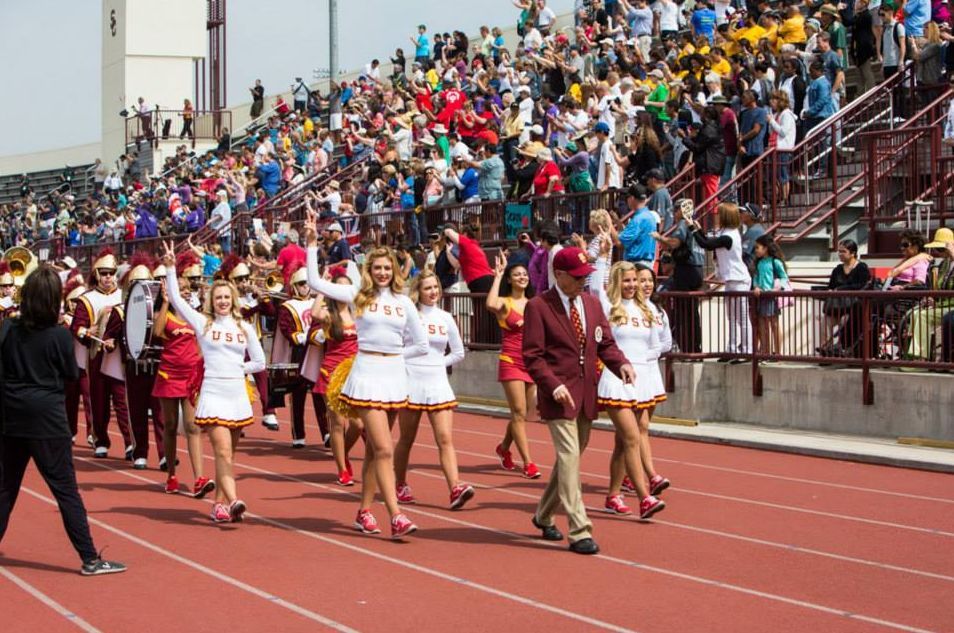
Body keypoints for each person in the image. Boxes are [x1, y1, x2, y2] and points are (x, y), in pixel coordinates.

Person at [304, 211, 427, 539]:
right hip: (366, 375)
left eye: (388, 267)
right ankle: (396, 515)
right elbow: (316, 283)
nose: (383, 272)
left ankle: (363, 511)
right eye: (377, 267)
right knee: (385, 448)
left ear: (395, 270)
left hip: (394, 379)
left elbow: (422, 344)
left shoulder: (404, 302)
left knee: (375, 450)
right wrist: (312, 244)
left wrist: (398, 358)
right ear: (368, 270)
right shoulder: (357, 296)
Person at [0, 265, 127, 576]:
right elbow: (71, 374)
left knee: (5, 488)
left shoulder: (6, 329)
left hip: (11, 416)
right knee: (65, 490)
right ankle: (89, 557)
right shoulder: (58, 335)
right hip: (47, 420)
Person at [523, 247, 635, 555]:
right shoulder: (538, 306)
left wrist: (621, 363)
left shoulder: (592, 303)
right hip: (558, 395)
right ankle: (579, 529)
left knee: (569, 459)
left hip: (586, 393)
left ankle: (543, 514)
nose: (583, 282)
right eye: (576, 277)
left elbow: (606, 343)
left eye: (585, 276)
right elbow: (532, 356)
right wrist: (552, 384)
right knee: (570, 455)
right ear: (559, 275)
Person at [160, 241, 267, 523]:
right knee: (221, 450)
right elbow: (177, 299)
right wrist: (171, 268)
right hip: (213, 392)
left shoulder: (243, 327)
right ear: (211, 300)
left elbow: (260, 362)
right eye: (217, 297)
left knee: (228, 455)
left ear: (233, 299)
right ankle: (233, 500)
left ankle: (218, 504)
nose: (222, 301)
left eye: (226, 297)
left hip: (237, 394)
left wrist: (238, 368)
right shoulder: (203, 323)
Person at [588, 242, 667, 520]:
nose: (633, 285)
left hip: (640, 382)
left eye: (635, 280)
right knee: (633, 437)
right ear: (617, 281)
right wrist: (603, 251)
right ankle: (645, 497)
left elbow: (657, 345)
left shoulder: (646, 309)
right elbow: (597, 279)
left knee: (623, 443)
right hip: (614, 381)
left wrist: (641, 367)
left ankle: (612, 495)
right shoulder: (608, 305)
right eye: (628, 280)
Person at [393, 271, 474, 509]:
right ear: (418, 290)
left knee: (445, 439)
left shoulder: (446, 317)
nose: (433, 292)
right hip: (411, 381)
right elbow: (397, 348)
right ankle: (400, 483)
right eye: (427, 288)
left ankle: (455, 487)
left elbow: (458, 352)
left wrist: (438, 363)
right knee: (407, 438)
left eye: (435, 287)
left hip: (438, 384)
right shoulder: (408, 316)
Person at [152, 255, 211, 496]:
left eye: (187, 288)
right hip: (168, 375)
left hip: (189, 377)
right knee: (170, 426)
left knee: (193, 427)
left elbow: (204, 341)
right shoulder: (165, 314)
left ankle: (199, 478)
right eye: (181, 289)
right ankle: (171, 475)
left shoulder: (195, 315)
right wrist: (166, 301)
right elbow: (157, 332)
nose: (185, 292)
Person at [69, 248, 132, 457]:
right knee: (98, 400)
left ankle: (131, 442)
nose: (108, 277)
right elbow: (77, 327)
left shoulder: (126, 296)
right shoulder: (87, 299)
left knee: (123, 401)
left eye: (111, 273)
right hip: (96, 356)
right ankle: (100, 440)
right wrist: (89, 331)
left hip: (120, 356)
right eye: (104, 273)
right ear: (96, 274)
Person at [486, 254, 540, 480]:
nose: (522, 277)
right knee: (518, 412)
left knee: (526, 413)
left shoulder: (535, 304)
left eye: (524, 274)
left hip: (531, 363)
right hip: (511, 362)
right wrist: (497, 276)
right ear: (510, 279)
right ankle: (528, 462)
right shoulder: (505, 303)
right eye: (517, 274)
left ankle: (504, 447)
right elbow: (490, 304)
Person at [311, 265, 362, 486]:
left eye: (347, 287)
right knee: (338, 424)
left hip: (355, 374)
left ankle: (342, 453)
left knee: (359, 425)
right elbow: (314, 313)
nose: (343, 292)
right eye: (338, 288)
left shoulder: (359, 314)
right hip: (331, 374)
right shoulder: (329, 315)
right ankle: (342, 468)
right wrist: (322, 283)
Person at [691, 203, 752, 358]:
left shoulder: (730, 235)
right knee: (731, 317)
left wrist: (693, 229)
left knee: (742, 318)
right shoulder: (725, 233)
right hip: (731, 280)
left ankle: (747, 350)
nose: (717, 216)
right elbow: (707, 240)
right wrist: (697, 228)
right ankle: (731, 349)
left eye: (720, 213)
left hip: (739, 280)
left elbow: (706, 245)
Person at [820, 239, 872, 358]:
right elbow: (831, 286)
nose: (840, 254)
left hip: (852, 308)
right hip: (836, 307)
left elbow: (862, 285)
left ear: (853, 253)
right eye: (839, 251)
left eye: (843, 251)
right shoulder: (837, 269)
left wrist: (842, 288)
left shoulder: (862, 267)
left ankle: (841, 347)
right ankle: (825, 348)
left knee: (845, 321)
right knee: (825, 322)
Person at [751, 234, 789, 356]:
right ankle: (765, 352)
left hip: (772, 297)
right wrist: (756, 286)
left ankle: (777, 353)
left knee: (774, 324)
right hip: (761, 297)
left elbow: (784, 277)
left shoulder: (775, 262)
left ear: (765, 248)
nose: (756, 250)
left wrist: (776, 289)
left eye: (758, 247)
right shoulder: (758, 263)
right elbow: (755, 277)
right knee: (762, 325)